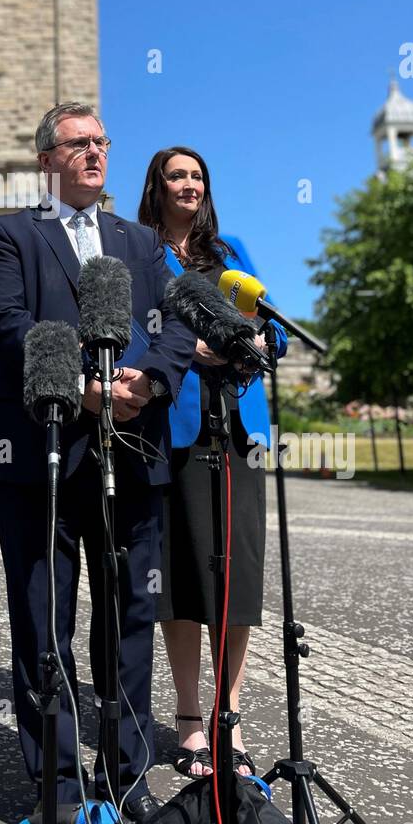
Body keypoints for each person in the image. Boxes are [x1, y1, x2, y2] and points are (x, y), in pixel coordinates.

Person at [0, 102, 195, 824]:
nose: (95, 153)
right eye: (78, 144)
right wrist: (81, 389)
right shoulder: (10, 234)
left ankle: (126, 784)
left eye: (102, 142)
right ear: (46, 159)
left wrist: (147, 382)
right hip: (41, 450)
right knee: (44, 624)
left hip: (133, 451)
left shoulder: (138, 240)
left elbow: (172, 324)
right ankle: (59, 793)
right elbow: (9, 325)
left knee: (129, 620)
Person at [138, 146, 287, 778]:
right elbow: (138, 332)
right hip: (175, 430)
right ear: (158, 186)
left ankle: (231, 717)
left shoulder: (232, 255)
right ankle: (190, 720)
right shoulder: (139, 253)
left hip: (239, 434)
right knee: (181, 575)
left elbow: (275, 330)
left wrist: (251, 340)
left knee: (239, 581)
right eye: (178, 175)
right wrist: (193, 349)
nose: (190, 185)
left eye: (198, 176)